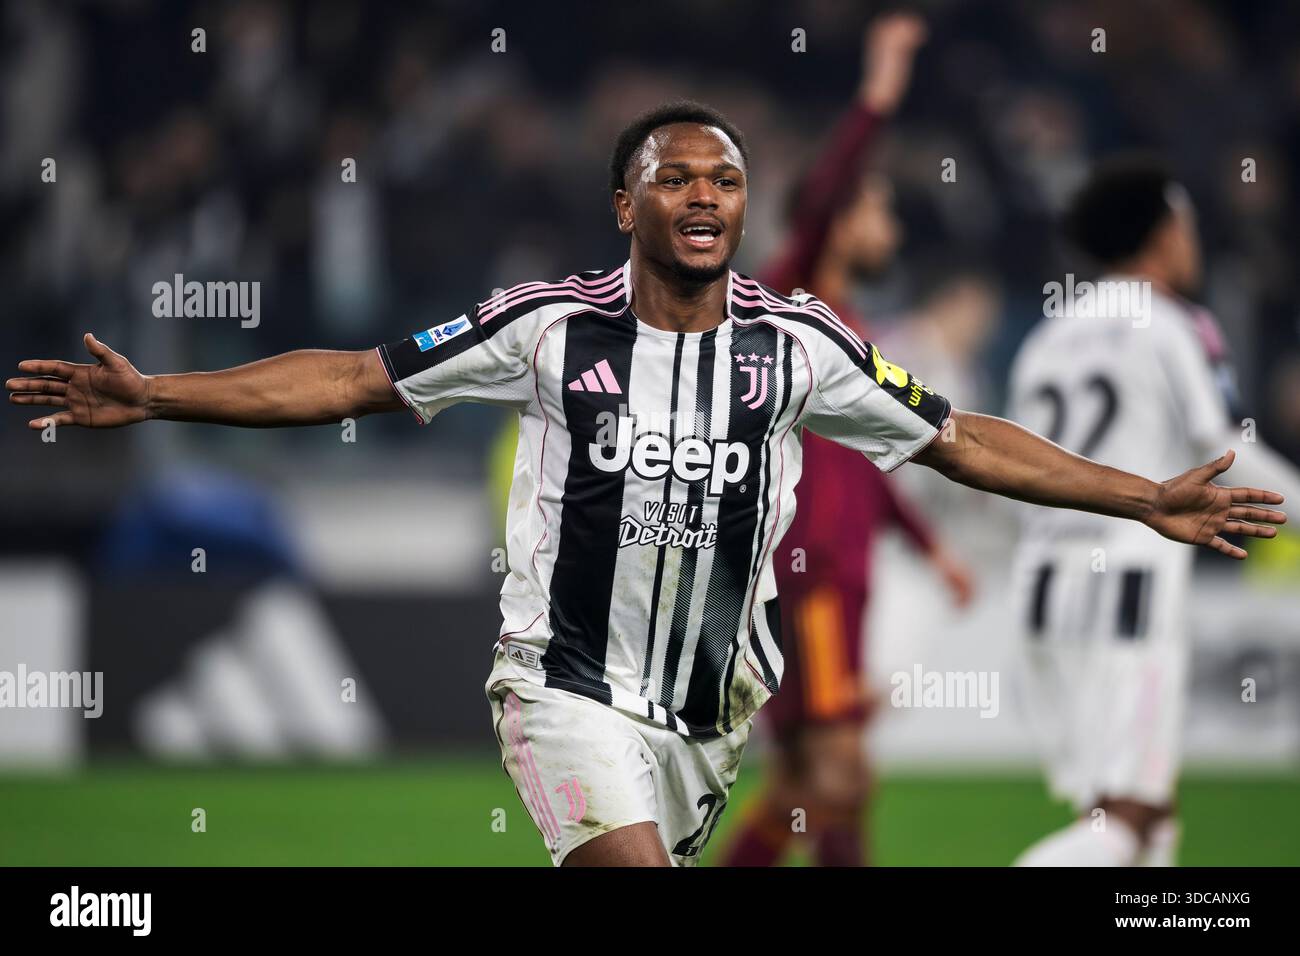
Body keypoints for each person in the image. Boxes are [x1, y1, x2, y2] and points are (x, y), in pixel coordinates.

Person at [8, 108, 1286, 868]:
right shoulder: (547, 326)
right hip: (561, 688)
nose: (703, 198)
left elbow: (958, 437)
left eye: (725, 181)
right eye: (675, 177)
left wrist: (1140, 498)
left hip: (707, 715)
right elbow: (347, 376)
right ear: (625, 200)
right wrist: (160, 391)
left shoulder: (797, 347)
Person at [722, 13, 973, 869]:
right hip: (814, 577)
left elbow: (870, 466)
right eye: (879, 210)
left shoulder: (849, 332)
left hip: (832, 575)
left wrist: (929, 546)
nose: (889, 226)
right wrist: (880, 91)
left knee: (807, 780)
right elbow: (825, 191)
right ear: (836, 223)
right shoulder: (787, 299)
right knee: (837, 775)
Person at [1007, 155, 1300, 866]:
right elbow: (1221, 449)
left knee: (1138, 816)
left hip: (1042, 581)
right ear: (1164, 235)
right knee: (1129, 817)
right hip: (1128, 578)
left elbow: (1013, 465)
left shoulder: (1045, 339)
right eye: (1187, 227)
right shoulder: (1172, 323)